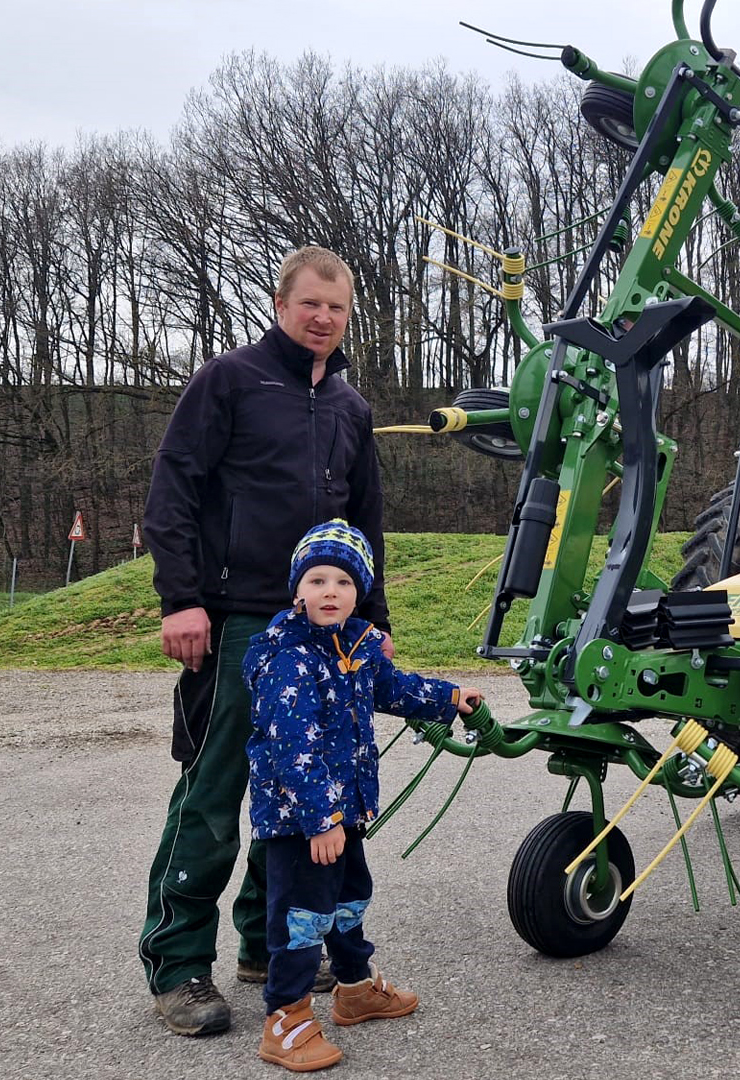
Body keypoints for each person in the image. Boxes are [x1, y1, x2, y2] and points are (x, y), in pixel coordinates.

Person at [138, 246, 391, 1036]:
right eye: (311, 303)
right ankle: (179, 966)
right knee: (214, 796)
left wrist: (372, 623)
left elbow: (366, 523)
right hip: (237, 617)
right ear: (282, 304)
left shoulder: (349, 408)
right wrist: (182, 598)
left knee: (295, 795)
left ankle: (266, 941)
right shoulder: (231, 381)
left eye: (338, 308)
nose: (323, 318)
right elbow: (173, 486)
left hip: (326, 632)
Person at [247, 521, 484, 1072]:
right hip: (300, 820)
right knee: (303, 915)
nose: (330, 592)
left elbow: (393, 688)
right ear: (296, 590)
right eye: (317, 579)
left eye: (344, 583)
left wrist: (450, 697)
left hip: (344, 813)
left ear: (360, 592)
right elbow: (292, 747)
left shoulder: (355, 647)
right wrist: (321, 818)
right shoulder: (287, 659)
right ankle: (285, 1019)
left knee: (350, 897)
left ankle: (353, 989)